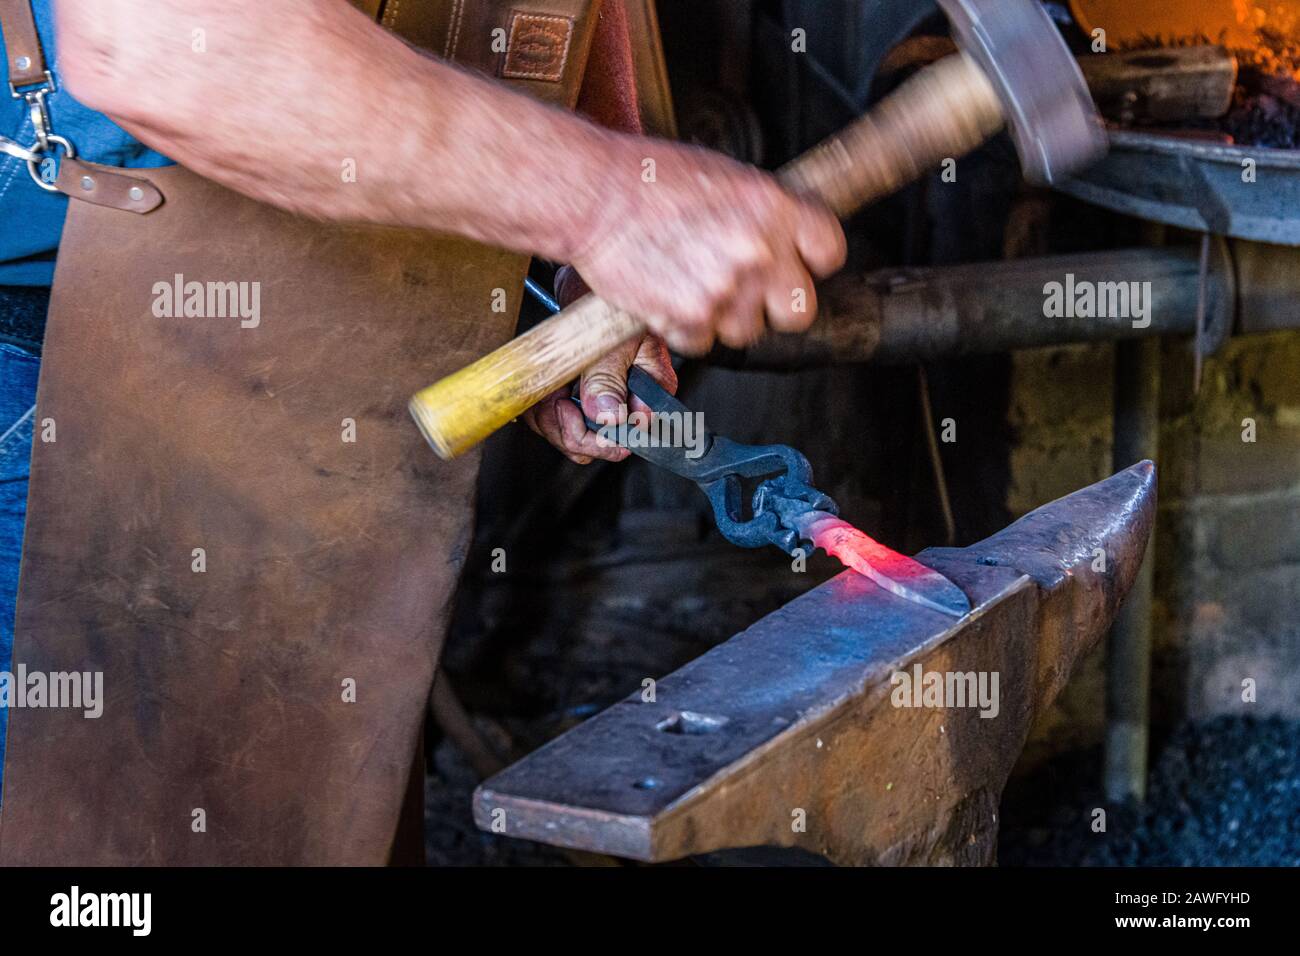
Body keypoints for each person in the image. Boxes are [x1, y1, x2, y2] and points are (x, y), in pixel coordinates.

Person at [0, 0, 845, 861]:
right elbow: (154, 43)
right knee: (107, 845)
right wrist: (602, 201)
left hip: (337, 329)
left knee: (318, 811)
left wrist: (583, 258)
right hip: (60, 347)